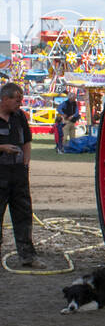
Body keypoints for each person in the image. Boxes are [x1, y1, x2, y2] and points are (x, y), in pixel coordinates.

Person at [0, 82, 38, 267]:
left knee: (23, 214)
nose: (20, 104)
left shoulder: (19, 117)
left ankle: (27, 256)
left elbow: (27, 142)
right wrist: (2, 148)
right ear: (5, 99)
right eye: (17, 100)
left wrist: (25, 165)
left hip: (18, 175)